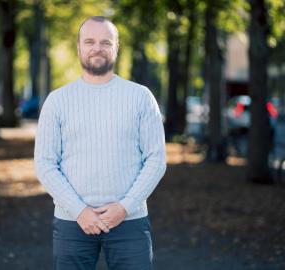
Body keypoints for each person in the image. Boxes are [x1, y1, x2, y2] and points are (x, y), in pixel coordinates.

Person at [34, 16, 166, 270]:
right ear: (79, 47)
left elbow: (156, 159)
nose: (97, 47)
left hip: (129, 221)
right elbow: (45, 164)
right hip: (73, 222)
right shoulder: (57, 101)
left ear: (116, 47)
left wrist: (124, 207)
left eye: (105, 42)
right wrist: (80, 211)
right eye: (90, 41)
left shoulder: (140, 97)